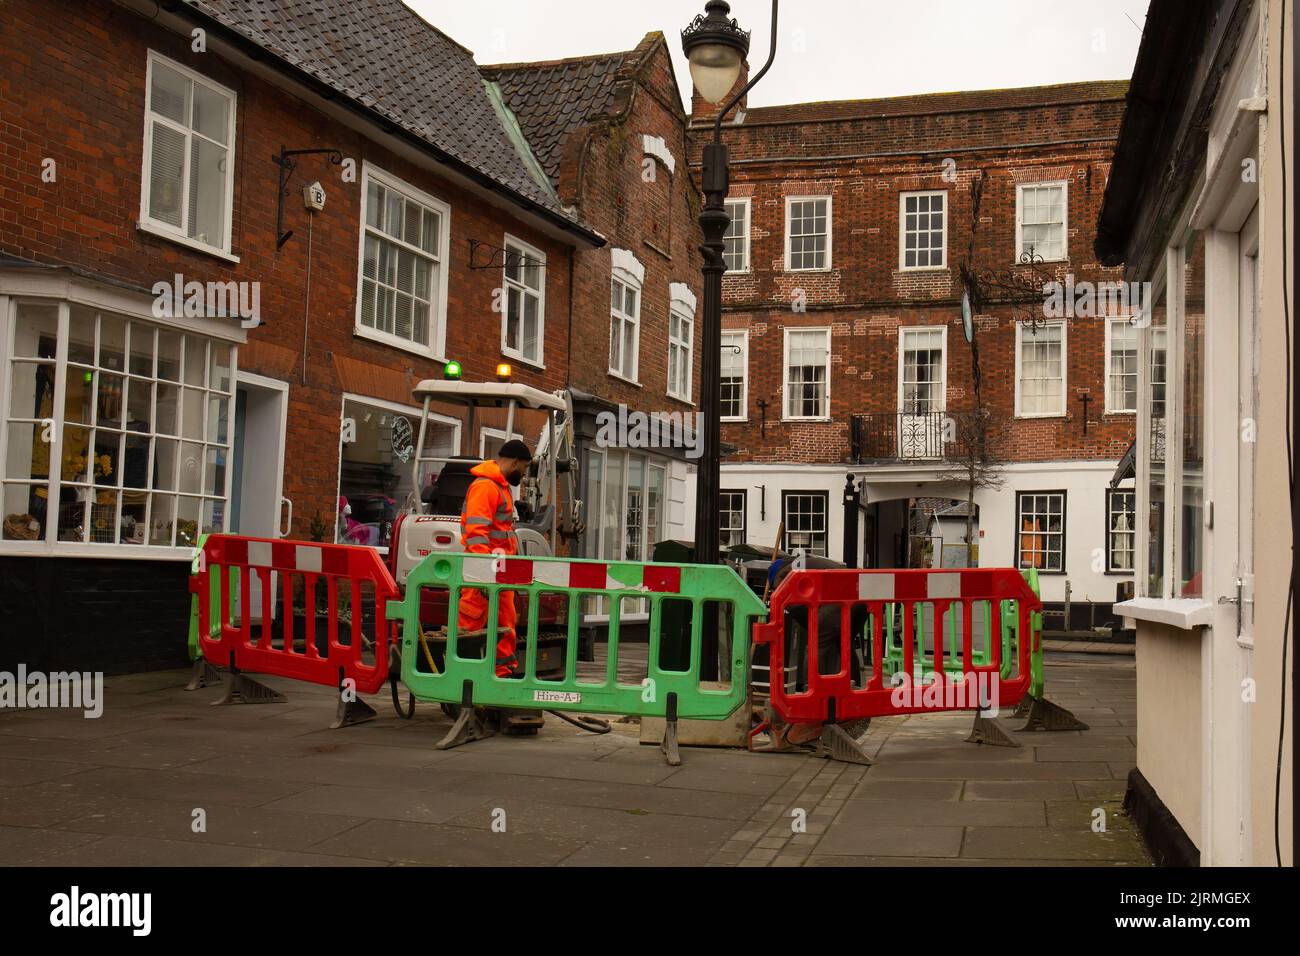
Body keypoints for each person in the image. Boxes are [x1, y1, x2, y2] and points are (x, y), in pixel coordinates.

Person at [458, 439, 532, 677]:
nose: (524, 473)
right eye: (524, 467)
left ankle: (502, 675)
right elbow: (475, 535)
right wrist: (484, 574)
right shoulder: (486, 487)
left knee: (504, 626)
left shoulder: (499, 488)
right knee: (471, 625)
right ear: (514, 462)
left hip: (496, 573)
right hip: (485, 575)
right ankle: (464, 679)